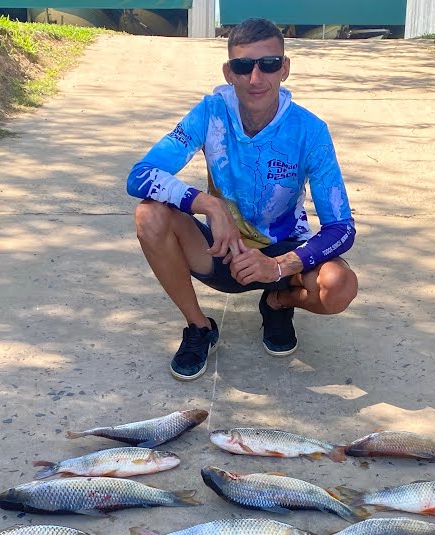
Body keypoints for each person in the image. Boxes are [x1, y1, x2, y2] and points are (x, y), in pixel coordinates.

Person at [127, 17, 358, 381]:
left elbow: (342, 228)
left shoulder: (310, 130)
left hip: (283, 254)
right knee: (149, 216)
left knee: (340, 285)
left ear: (284, 69)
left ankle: (278, 303)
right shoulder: (210, 113)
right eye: (242, 66)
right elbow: (140, 175)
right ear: (229, 72)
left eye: (267, 64)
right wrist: (208, 204)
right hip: (222, 251)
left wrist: (281, 267)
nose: (255, 77)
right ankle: (200, 327)